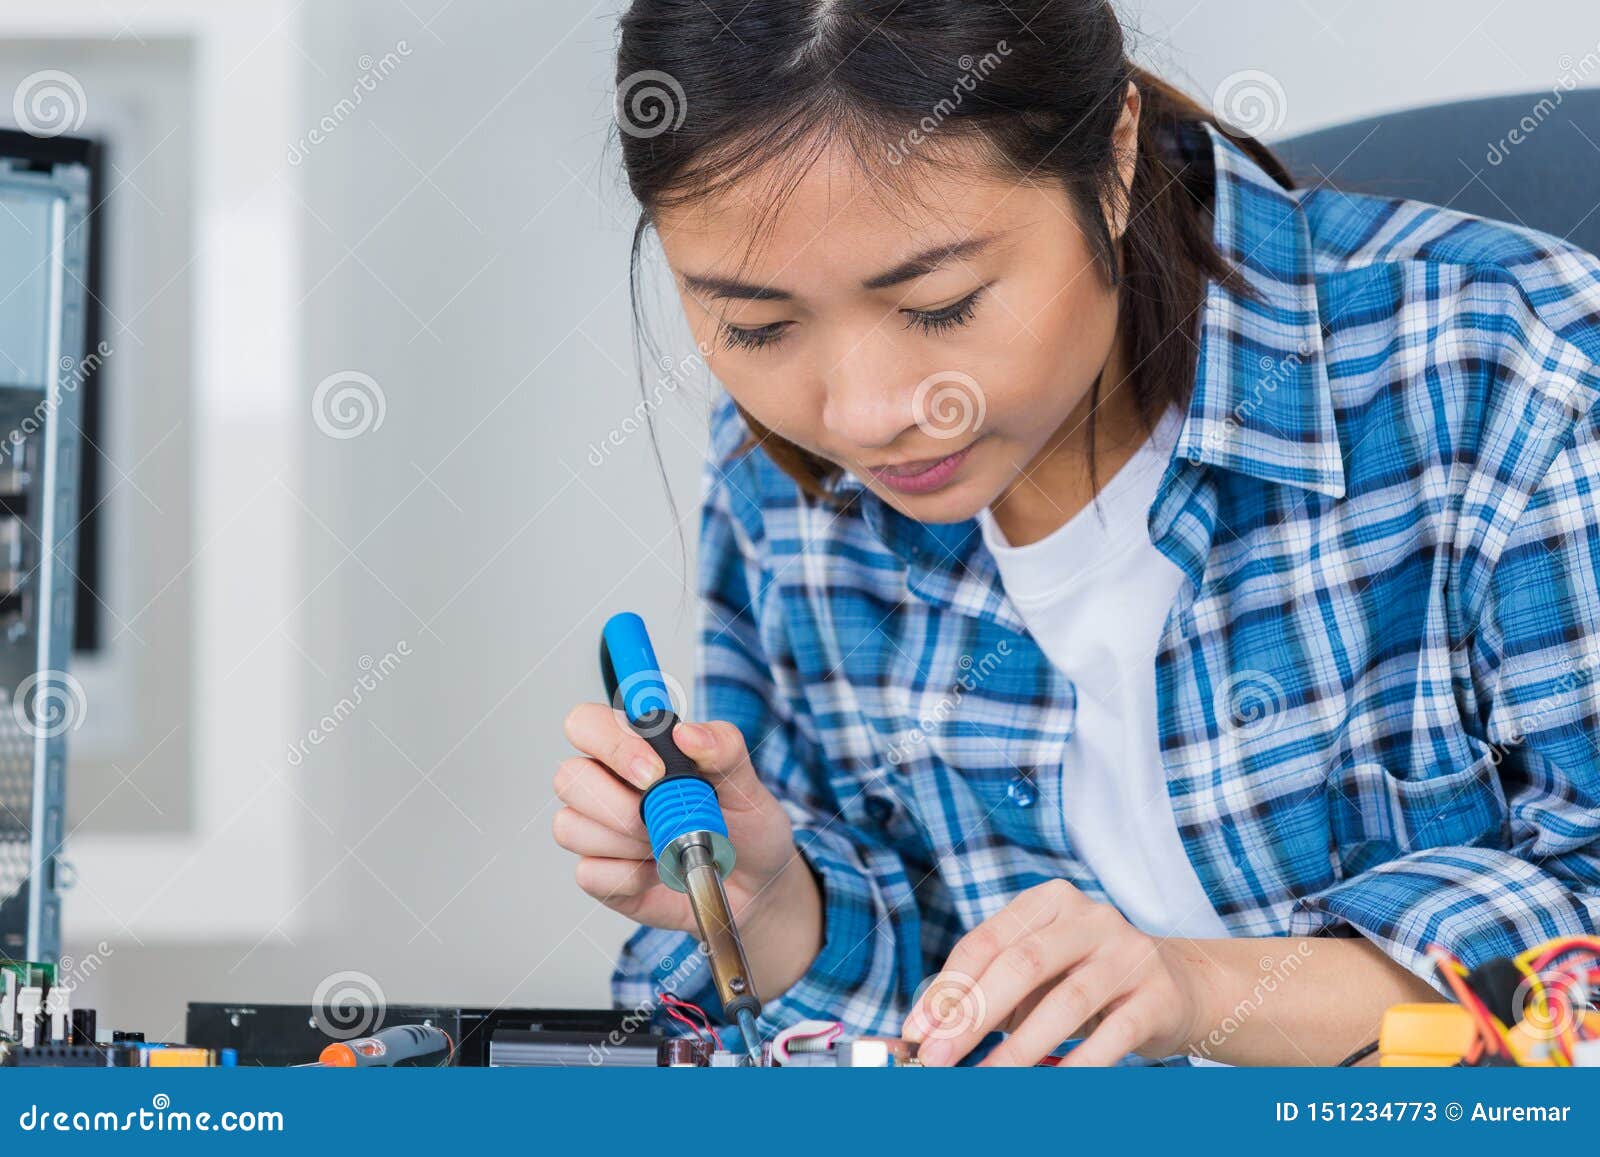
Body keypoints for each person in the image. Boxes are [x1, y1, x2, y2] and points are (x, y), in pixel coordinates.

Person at [554, 0, 1600, 1066]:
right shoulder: (783, 471)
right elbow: (874, 1016)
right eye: (759, 327)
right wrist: (777, 906)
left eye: (942, 304)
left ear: (1109, 159)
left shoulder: (1512, 369)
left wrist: (1194, 987)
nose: (864, 412)